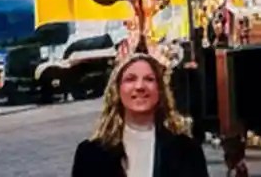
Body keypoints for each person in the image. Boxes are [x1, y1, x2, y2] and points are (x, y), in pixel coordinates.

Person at [72, 52, 209, 177]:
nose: (139, 87)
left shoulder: (188, 151)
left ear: (160, 90)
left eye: (149, 79)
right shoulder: (90, 154)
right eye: (130, 79)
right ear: (117, 91)